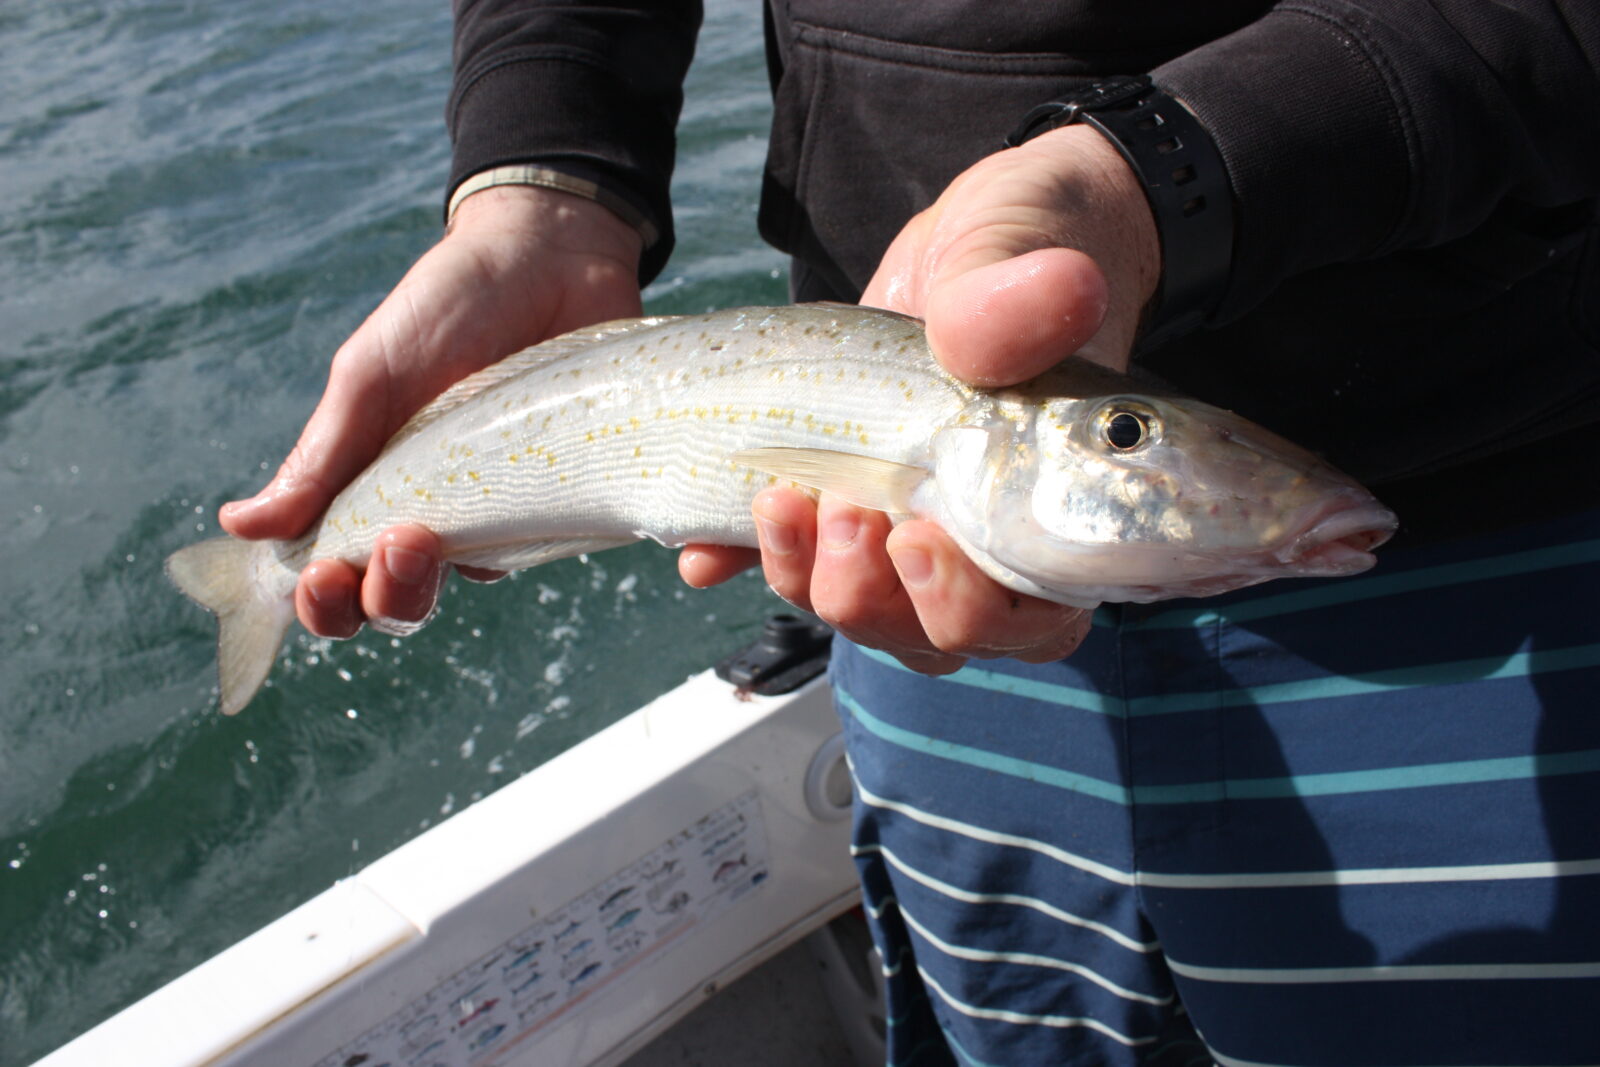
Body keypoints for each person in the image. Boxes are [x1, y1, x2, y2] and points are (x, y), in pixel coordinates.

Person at [221, 2, 1600, 1062]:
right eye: (1126, 436)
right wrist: (543, 182)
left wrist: (1149, 177)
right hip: (924, 650)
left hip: (1494, 569)